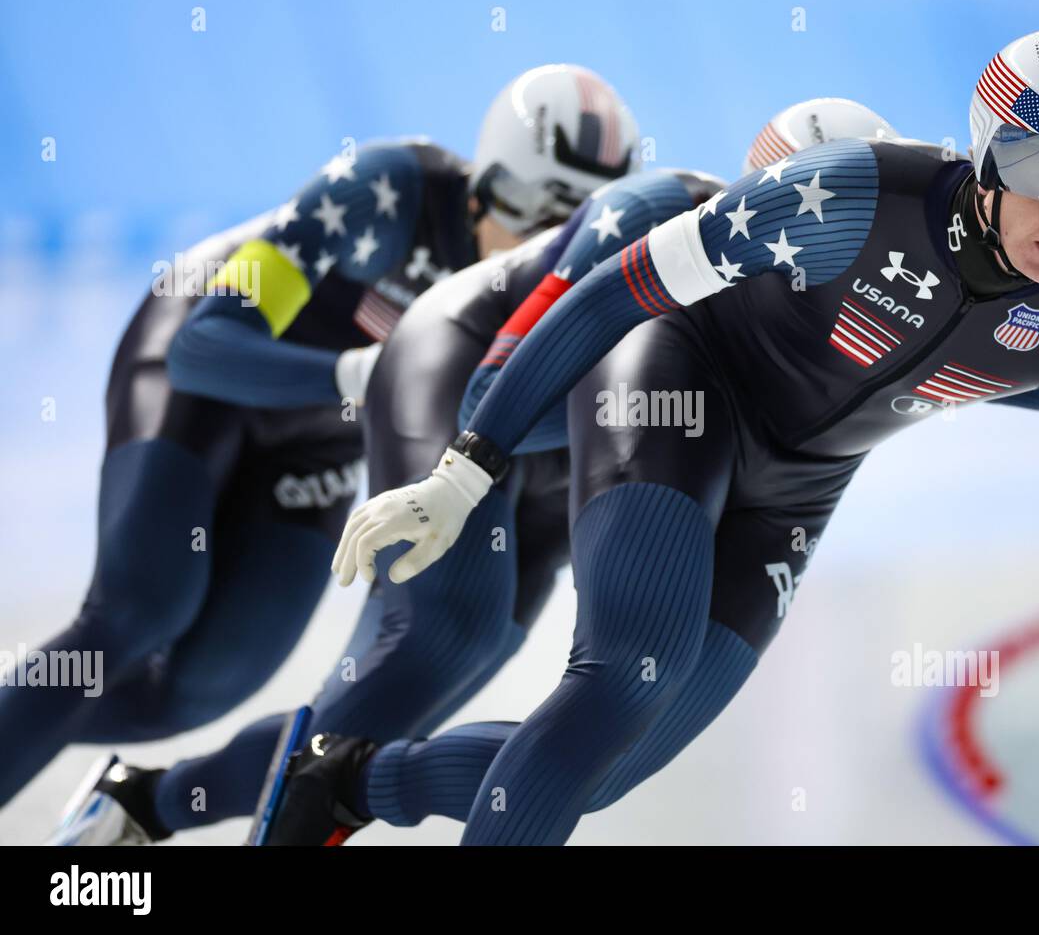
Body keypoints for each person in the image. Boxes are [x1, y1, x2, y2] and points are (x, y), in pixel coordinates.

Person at [318, 29, 1039, 846]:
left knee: (606, 769)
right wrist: (464, 473)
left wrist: (928, 384)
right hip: (688, 377)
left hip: (798, 487)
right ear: (992, 151)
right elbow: (619, 294)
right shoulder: (852, 197)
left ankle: (351, 782)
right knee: (618, 680)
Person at [52, 98, 899, 846]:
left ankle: (163, 800)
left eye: (850, 265)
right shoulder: (649, 215)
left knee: (587, 759)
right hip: (472, 397)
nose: (818, 283)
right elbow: (499, 379)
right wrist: (489, 469)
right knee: (434, 642)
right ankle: (240, 792)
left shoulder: (899, 298)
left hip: (567, 445)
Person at [7, 64, 640, 829]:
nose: (546, 264)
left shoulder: (552, 283)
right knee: (138, 613)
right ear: (490, 189)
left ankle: (48, 719)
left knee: (197, 690)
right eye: (539, 228)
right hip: (206, 384)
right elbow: (205, 346)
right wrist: (364, 373)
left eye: (571, 244)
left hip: (316, 441)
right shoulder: (383, 195)